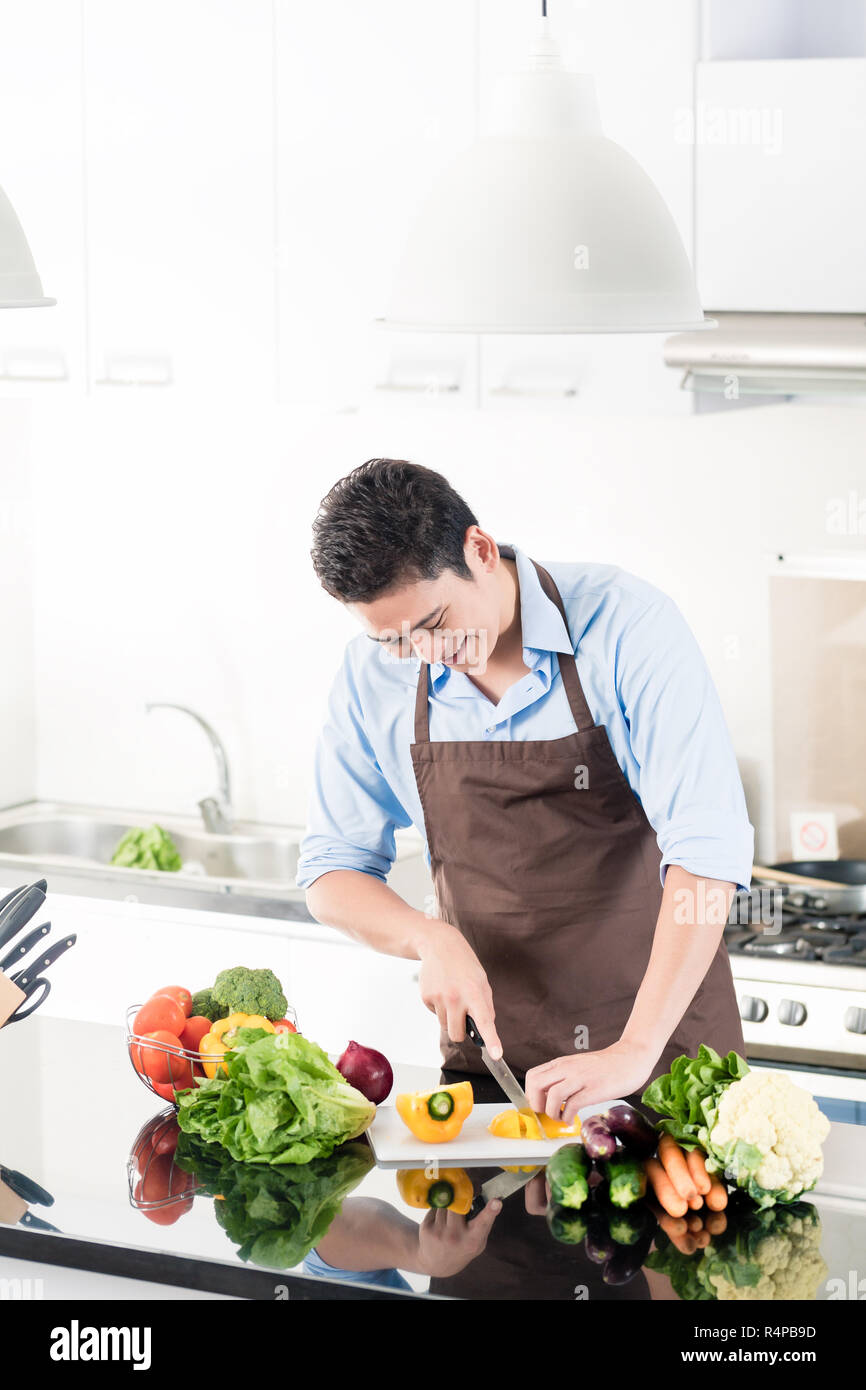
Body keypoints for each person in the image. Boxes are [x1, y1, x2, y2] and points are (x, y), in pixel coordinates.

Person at [297, 458, 752, 1121]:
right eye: (394, 641)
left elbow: (707, 853)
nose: (426, 655)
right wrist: (429, 937)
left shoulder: (626, 626)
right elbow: (331, 872)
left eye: (433, 624)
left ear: (479, 550)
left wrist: (635, 1048)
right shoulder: (374, 675)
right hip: (498, 1079)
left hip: (665, 1060)